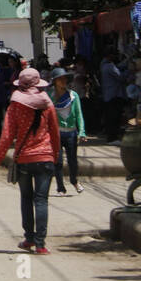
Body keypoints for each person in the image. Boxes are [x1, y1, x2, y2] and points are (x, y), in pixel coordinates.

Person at [0, 67, 62, 255]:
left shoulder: (15, 106)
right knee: (41, 200)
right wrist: (55, 157)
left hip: (23, 158)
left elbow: (6, 137)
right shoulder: (48, 105)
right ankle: (40, 244)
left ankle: (29, 238)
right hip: (45, 157)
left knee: (26, 198)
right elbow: (55, 133)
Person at [50, 67, 85, 196]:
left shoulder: (73, 96)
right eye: (60, 79)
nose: (63, 81)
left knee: (72, 160)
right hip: (56, 133)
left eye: (64, 79)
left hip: (71, 133)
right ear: (55, 81)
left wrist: (82, 131)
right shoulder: (49, 97)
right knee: (57, 161)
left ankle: (74, 181)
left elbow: (79, 114)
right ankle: (60, 188)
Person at [99, 49, 126, 144]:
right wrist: (129, 71)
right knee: (114, 117)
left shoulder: (103, 65)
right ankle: (113, 138)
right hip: (114, 95)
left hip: (108, 95)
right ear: (110, 56)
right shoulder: (110, 66)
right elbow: (121, 77)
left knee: (110, 117)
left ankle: (111, 137)